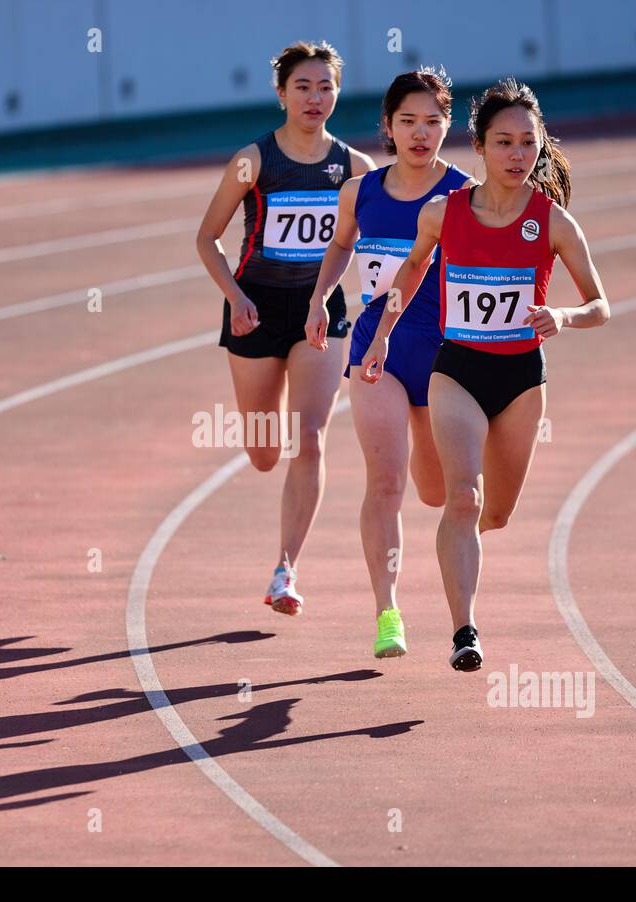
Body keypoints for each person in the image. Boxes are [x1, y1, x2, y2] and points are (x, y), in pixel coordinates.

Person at [365, 77, 609, 670]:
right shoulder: (442, 212)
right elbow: (410, 275)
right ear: (480, 146)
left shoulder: (552, 222)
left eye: (529, 142)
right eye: (504, 142)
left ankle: (463, 561)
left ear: (541, 146)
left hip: (522, 380)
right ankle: (464, 631)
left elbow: (601, 305)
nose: (517, 154)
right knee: (464, 499)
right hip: (458, 370)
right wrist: (380, 338)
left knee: (496, 513)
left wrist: (564, 316)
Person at [196, 40, 377, 615]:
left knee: (311, 437)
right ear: (281, 94)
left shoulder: (355, 168)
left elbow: (371, 247)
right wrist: (235, 296)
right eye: (302, 86)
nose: (314, 97)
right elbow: (208, 238)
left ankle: (285, 570)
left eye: (326, 86)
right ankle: (262, 444)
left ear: (338, 93)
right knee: (263, 453)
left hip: (320, 310)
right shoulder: (254, 160)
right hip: (255, 310)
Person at [305, 68, 469, 657]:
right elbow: (342, 243)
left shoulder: (464, 196)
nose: (421, 134)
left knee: (432, 491)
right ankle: (387, 613)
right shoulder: (362, 191)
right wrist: (322, 295)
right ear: (389, 128)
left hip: (442, 351)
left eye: (432, 122)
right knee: (386, 481)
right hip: (377, 347)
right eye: (408, 123)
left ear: (448, 125)